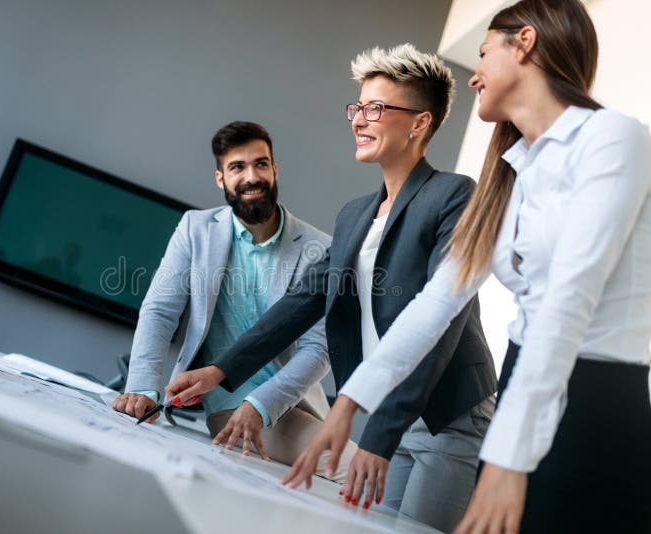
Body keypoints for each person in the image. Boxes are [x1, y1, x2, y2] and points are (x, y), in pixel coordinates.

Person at [251, 1, 651, 533]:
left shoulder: (614, 139)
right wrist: (348, 404)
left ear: (525, 43)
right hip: (520, 391)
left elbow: (567, 304)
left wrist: (509, 460)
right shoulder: (513, 173)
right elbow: (437, 303)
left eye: (483, 53)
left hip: (593, 403)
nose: (475, 74)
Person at [165, 46, 497, 532]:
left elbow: (440, 325)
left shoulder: (454, 196)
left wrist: (377, 439)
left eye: (375, 109)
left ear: (420, 122)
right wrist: (220, 370)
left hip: (450, 413)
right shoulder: (355, 214)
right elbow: (304, 302)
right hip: (393, 411)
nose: (359, 120)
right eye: (357, 107)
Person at [113, 121, 355, 481]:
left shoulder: (319, 248)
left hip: (287, 402)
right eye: (237, 167)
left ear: (274, 170)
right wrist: (142, 387)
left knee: (353, 469)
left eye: (260, 164)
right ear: (220, 178)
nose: (251, 176)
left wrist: (260, 404)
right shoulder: (195, 229)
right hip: (226, 405)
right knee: (350, 467)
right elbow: (159, 311)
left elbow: (318, 349)